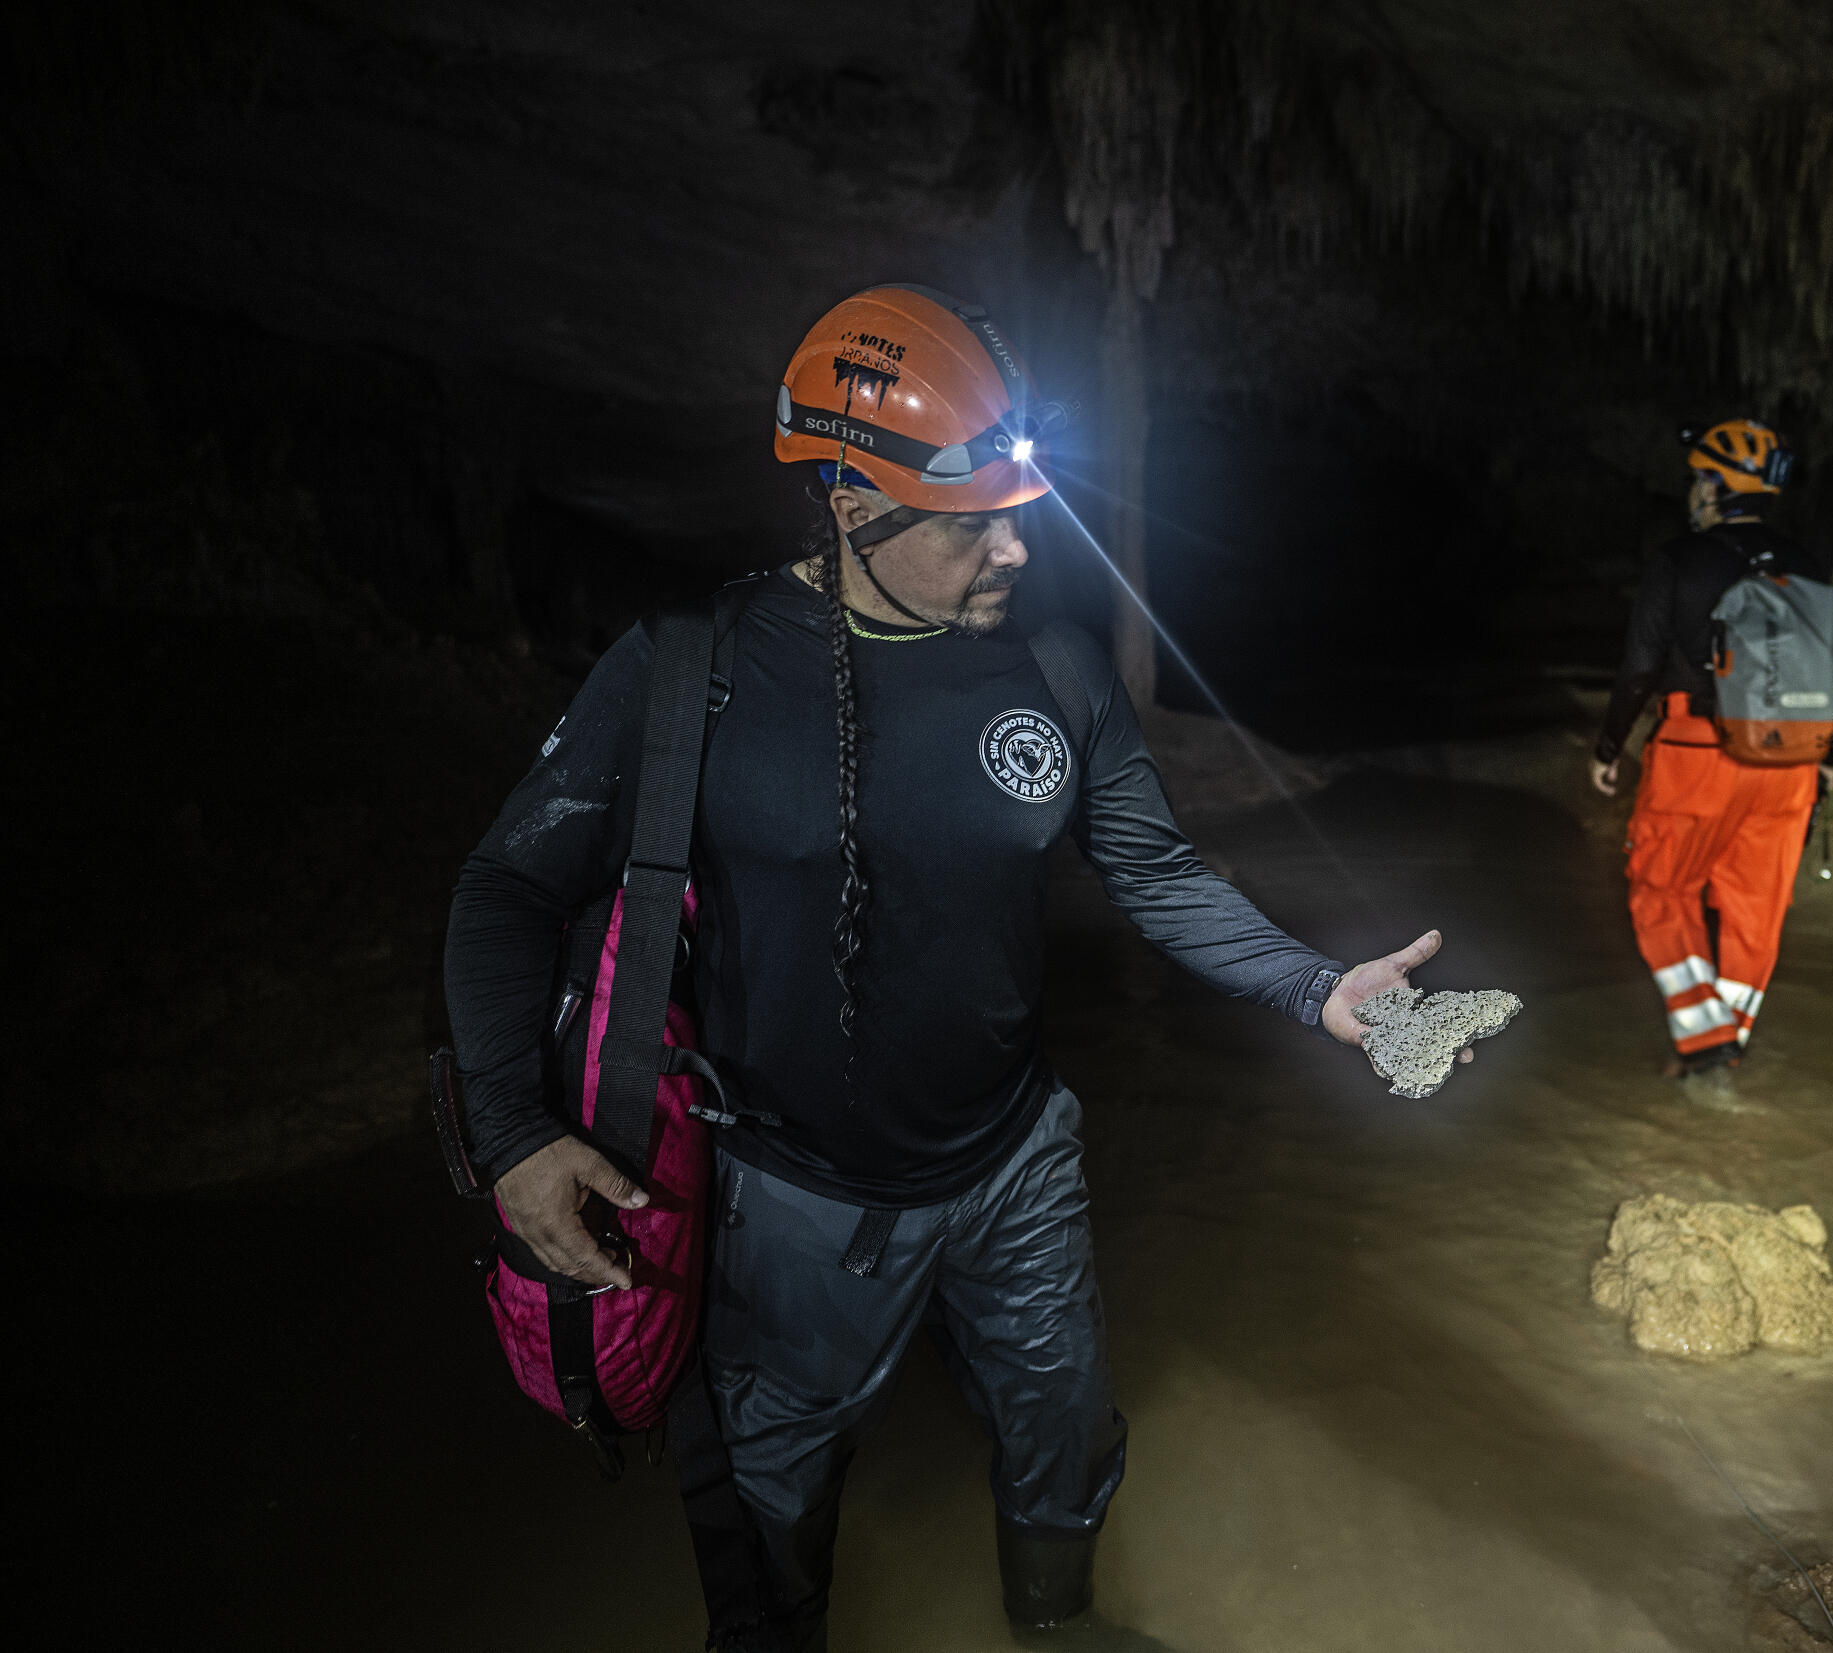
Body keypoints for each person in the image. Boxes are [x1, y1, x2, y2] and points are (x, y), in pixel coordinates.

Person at [442, 286, 1469, 1649]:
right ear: (851, 506)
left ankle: (1057, 1626)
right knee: (768, 1506)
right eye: (973, 523)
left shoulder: (1055, 667)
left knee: (1065, 1436)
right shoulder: (693, 674)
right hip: (790, 1202)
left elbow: (1154, 871)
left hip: (1014, 1167)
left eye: (1024, 511)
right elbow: (507, 885)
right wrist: (514, 1133)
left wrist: (1313, 985)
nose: (1017, 548)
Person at [1588, 418, 1832, 1079]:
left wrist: (1609, 746)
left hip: (1701, 750)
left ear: (1718, 487)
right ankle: (1728, 1045)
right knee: (1756, 907)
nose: (1693, 491)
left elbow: (1640, 665)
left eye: (1699, 479)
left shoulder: (1680, 558)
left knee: (1662, 890)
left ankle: (1703, 1043)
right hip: (1791, 764)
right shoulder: (1809, 566)